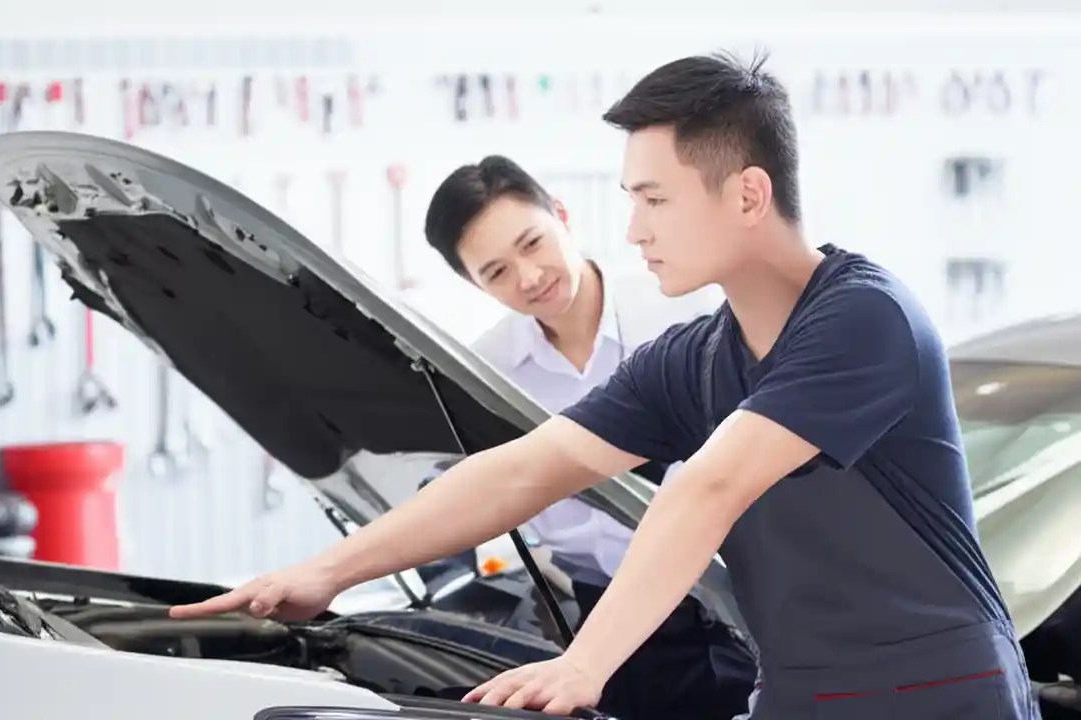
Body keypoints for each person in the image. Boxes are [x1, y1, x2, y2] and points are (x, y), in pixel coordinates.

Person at [171, 51, 1039, 720]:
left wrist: (586, 664)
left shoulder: (864, 317)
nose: (633, 231)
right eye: (630, 200)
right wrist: (328, 572)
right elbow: (522, 471)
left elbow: (711, 484)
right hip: (800, 691)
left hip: (939, 689)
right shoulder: (692, 359)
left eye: (655, 200)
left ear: (748, 193)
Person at [415, 154, 755, 720]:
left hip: (738, 597)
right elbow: (466, 493)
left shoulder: (687, 312)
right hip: (606, 615)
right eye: (495, 272)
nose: (528, 276)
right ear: (473, 284)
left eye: (532, 243)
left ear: (562, 215)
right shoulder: (484, 376)